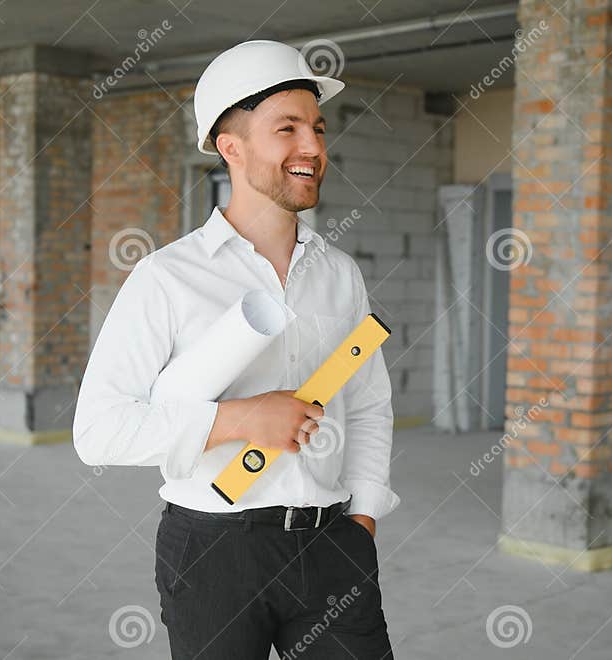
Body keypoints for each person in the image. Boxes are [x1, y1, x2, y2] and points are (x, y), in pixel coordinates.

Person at [72, 40, 398, 659]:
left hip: (332, 542)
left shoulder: (340, 274)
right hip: (214, 555)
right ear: (232, 148)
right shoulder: (167, 278)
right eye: (288, 129)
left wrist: (363, 519)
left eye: (318, 128)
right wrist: (242, 419)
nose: (314, 148)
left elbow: (369, 403)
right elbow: (99, 430)